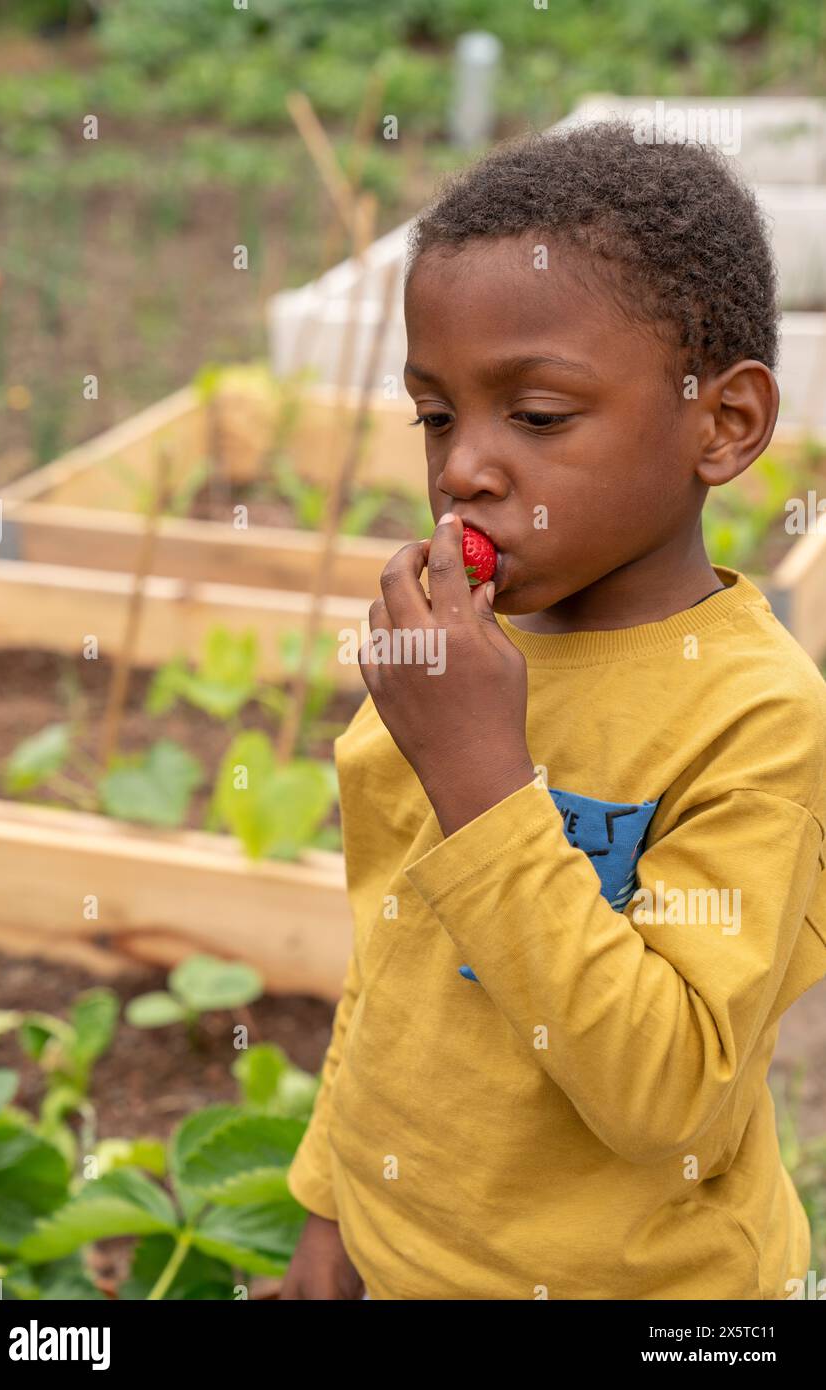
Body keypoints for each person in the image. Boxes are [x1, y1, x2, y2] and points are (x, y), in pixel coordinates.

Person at [279, 120, 826, 1301]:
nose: (464, 467)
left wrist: (484, 781)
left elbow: (674, 1098)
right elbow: (394, 965)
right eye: (436, 416)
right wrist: (334, 1204)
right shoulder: (455, 664)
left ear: (723, 424)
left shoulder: (754, 718)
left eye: (535, 416)